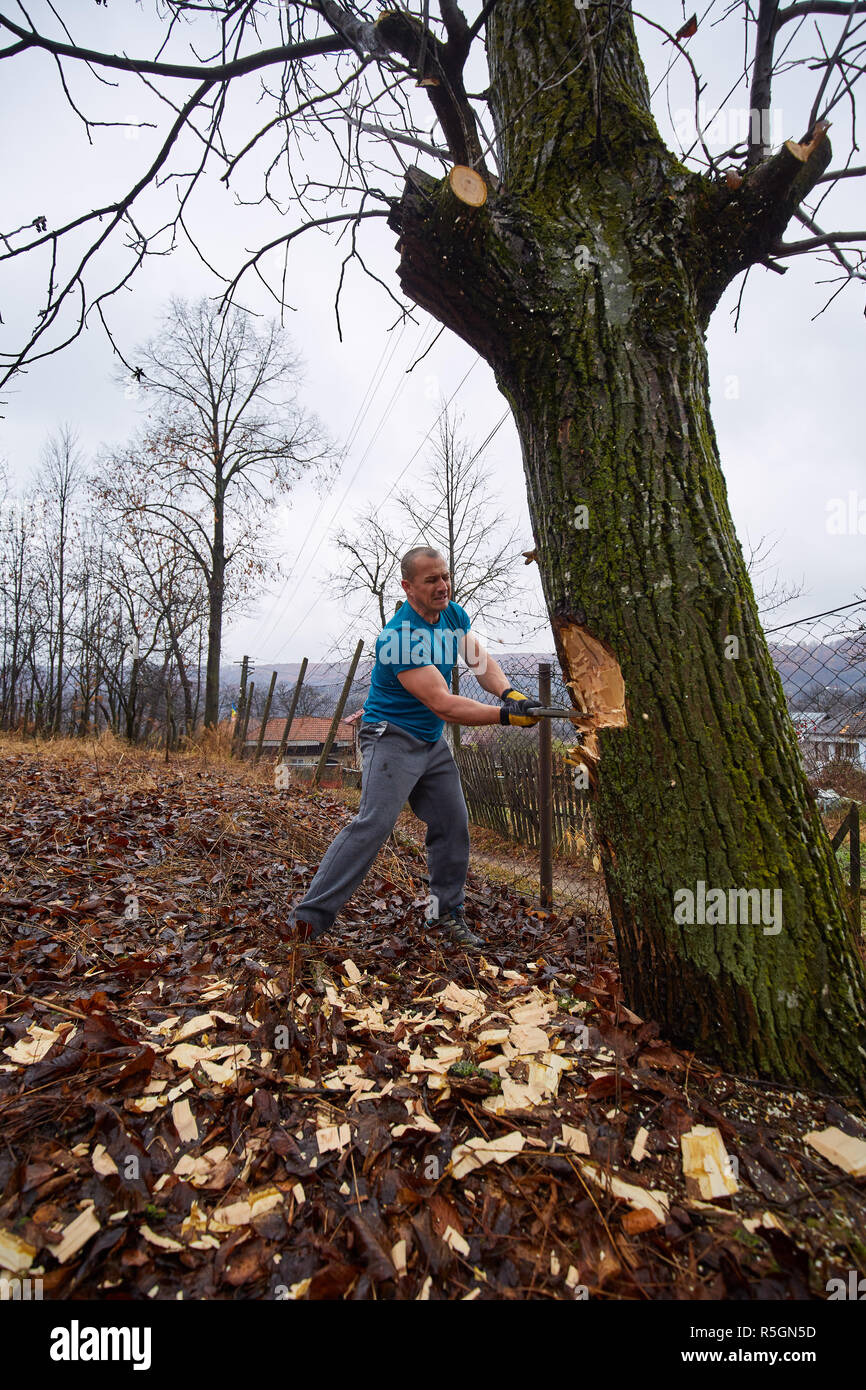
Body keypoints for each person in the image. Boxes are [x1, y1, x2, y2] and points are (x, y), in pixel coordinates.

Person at [287, 546, 541, 949]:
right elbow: (443, 703)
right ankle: (306, 923)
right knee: (374, 824)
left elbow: (480, 662)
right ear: (407, 587)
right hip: (390, 737)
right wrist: (507, 716)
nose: (443, 586)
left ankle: (443, 916)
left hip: (429, 740)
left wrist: (509, 692)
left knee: (452, 825)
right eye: (431, 580)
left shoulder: (453, 615)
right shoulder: (398, 638)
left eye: (445, 576)